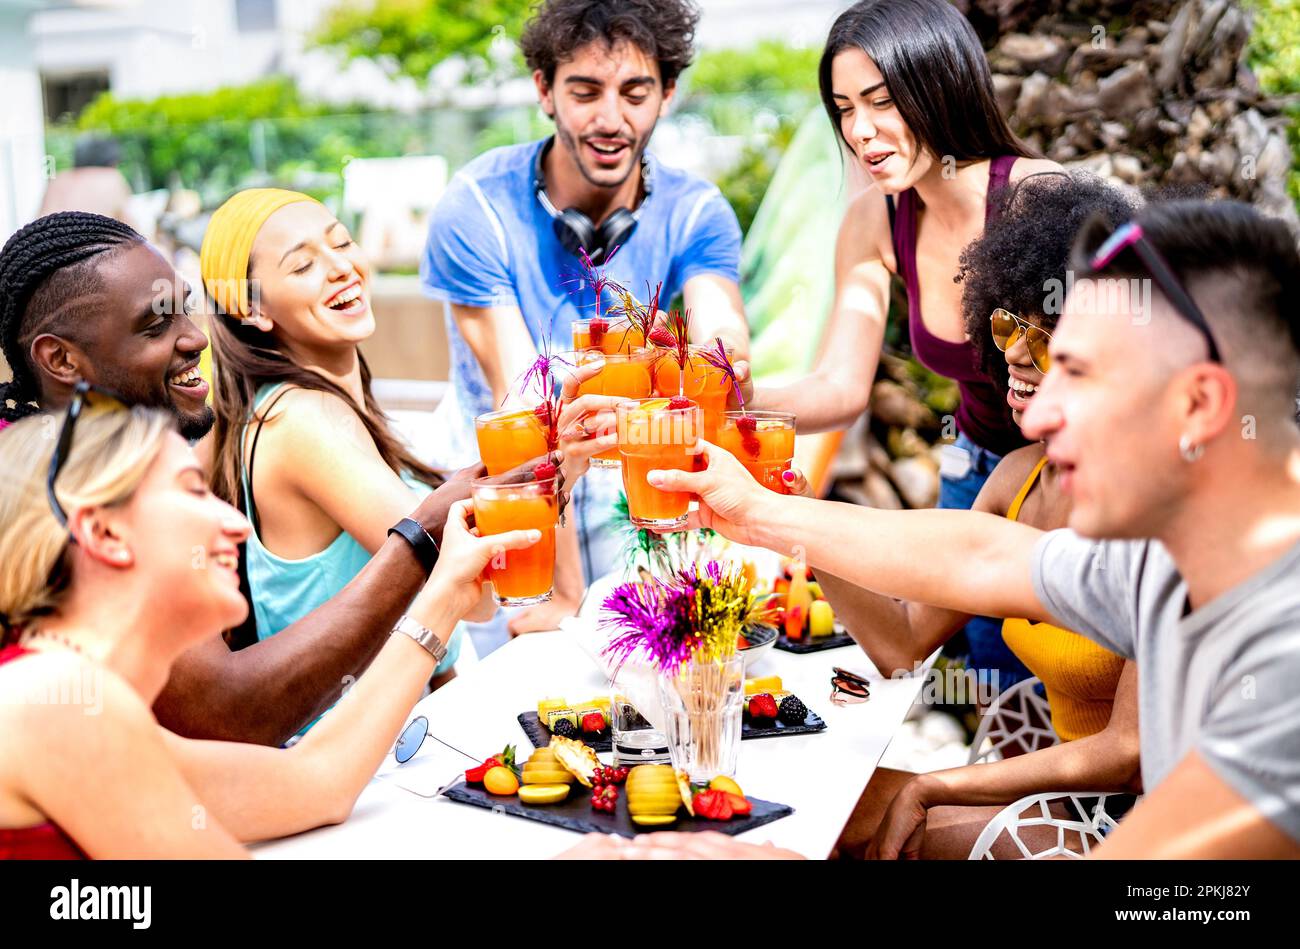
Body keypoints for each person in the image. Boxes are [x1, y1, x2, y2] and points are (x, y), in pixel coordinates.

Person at [647, 200, 1300, 858]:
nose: (1039, 414)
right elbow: (982, 554)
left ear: (1198, 404)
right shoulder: (1168, 562)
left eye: (1078, 374)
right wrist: (758, 509)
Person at [0, 211, 608, 744]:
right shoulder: (69, 491)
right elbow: (228, 713)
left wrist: (559, 460)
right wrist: (422, 535)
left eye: (342, 242)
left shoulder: (146, 446)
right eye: (155, 325)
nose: (193, 337)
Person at [0, 404, 541, 857]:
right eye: (192, 491)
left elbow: (317, 782)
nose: (236, 524)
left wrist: (445, 596)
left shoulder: (73, 706)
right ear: (105, 532)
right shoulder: (60, 707)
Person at [786, 172, 1142, 858]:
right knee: (819, 801)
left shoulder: (1156, 505)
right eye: (1007, 323)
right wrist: (801, 519)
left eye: (1044, 338)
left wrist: (934, 786)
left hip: (1141, 819)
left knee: (876, 830)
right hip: (1064, 790)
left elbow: (1127, 752)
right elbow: (904, 642)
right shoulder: (1018, 476)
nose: (1011, 352)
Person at [743, 0, 1060, 684]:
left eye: (881, 102)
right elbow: (839, 387)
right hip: (980, 476)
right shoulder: (874, 220)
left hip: (1072, 479)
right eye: (844, 108)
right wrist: (724, 401)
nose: (861, 131)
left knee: (1083, 680)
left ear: (939, 85)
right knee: (995, 683)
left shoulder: (1043, 201)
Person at [200, 189, 620, 691]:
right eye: (302, 265)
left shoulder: (323, 409)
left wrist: (560, 463)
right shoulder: (300, 421)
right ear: (253, 311)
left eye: (343, 243)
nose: (341, 268)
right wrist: (555, 466)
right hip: (356, 756)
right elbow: (475, 590)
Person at [420, 0, 751, 635]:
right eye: (585, 91)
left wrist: (725, 359)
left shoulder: (696, 210)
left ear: (668, 93)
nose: (610, 119)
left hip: (636, 495)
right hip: (507, 501)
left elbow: (720, 332)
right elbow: (526, 404)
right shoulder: (475, 206)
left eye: (634, 93)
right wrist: (560, 596)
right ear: (544, 90)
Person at [39, 135, 135, 226]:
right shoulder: (111, 178)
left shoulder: (59, 180)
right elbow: (134, 234)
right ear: (113, 162)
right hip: (90, 241)